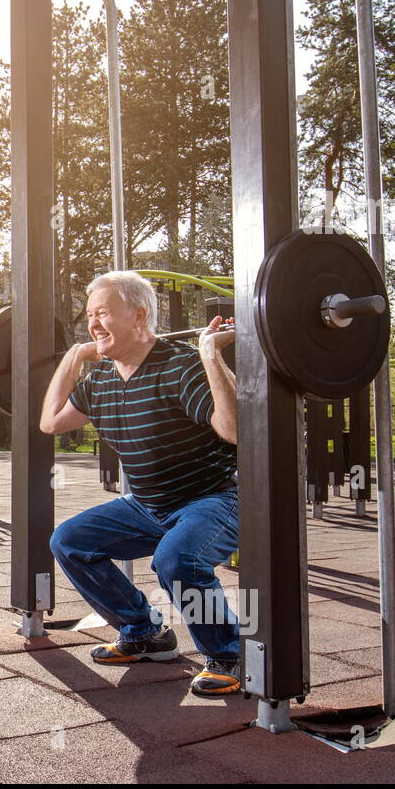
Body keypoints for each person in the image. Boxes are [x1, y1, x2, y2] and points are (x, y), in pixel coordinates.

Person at [41, 270, 241, 697]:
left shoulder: (180, 364)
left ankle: (228, 654)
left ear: (138, 315)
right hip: (148, 504)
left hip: (213, 498)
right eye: (90, 316)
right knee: (69, 541)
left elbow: (235, 430)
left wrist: (208, 352)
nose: (93, 324)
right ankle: (145, 632)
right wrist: (73, 359)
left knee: (177, 559)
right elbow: (50, 422)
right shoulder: (100, 381)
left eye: (103, 313)